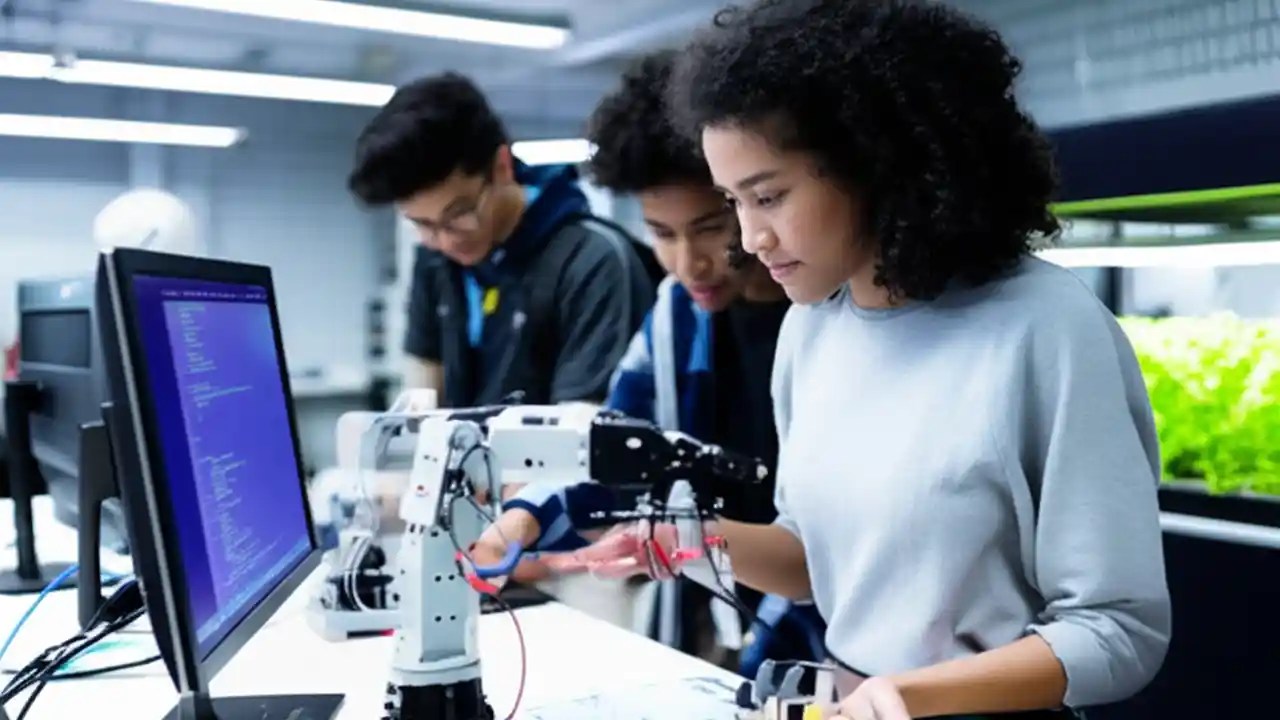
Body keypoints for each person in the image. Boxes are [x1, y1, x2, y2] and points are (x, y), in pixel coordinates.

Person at [560, 2, 1172, 719]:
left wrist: (911, 693)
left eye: (769, 196)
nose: (749, 238)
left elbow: (1121, 631)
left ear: (876, 165)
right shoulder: (811, 331)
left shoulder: (1049, 331)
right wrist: (686, 541)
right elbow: (810, 562)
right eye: (734, 201)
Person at [472, 50, 826, 672]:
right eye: (662, 233)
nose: (688, 263)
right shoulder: (676, 315)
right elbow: (616, 446)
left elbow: (831, 547)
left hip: (832, 639)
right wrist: (524, 518)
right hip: (719, 610)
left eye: (710, 227)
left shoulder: (827, 318)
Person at [348, 72, 659, 408]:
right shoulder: (434, 255)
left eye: (459, 215)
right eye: (422, 224)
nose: (445, 241)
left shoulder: (593, 262)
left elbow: (585, 431)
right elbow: (423, 389)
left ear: (501, 166)